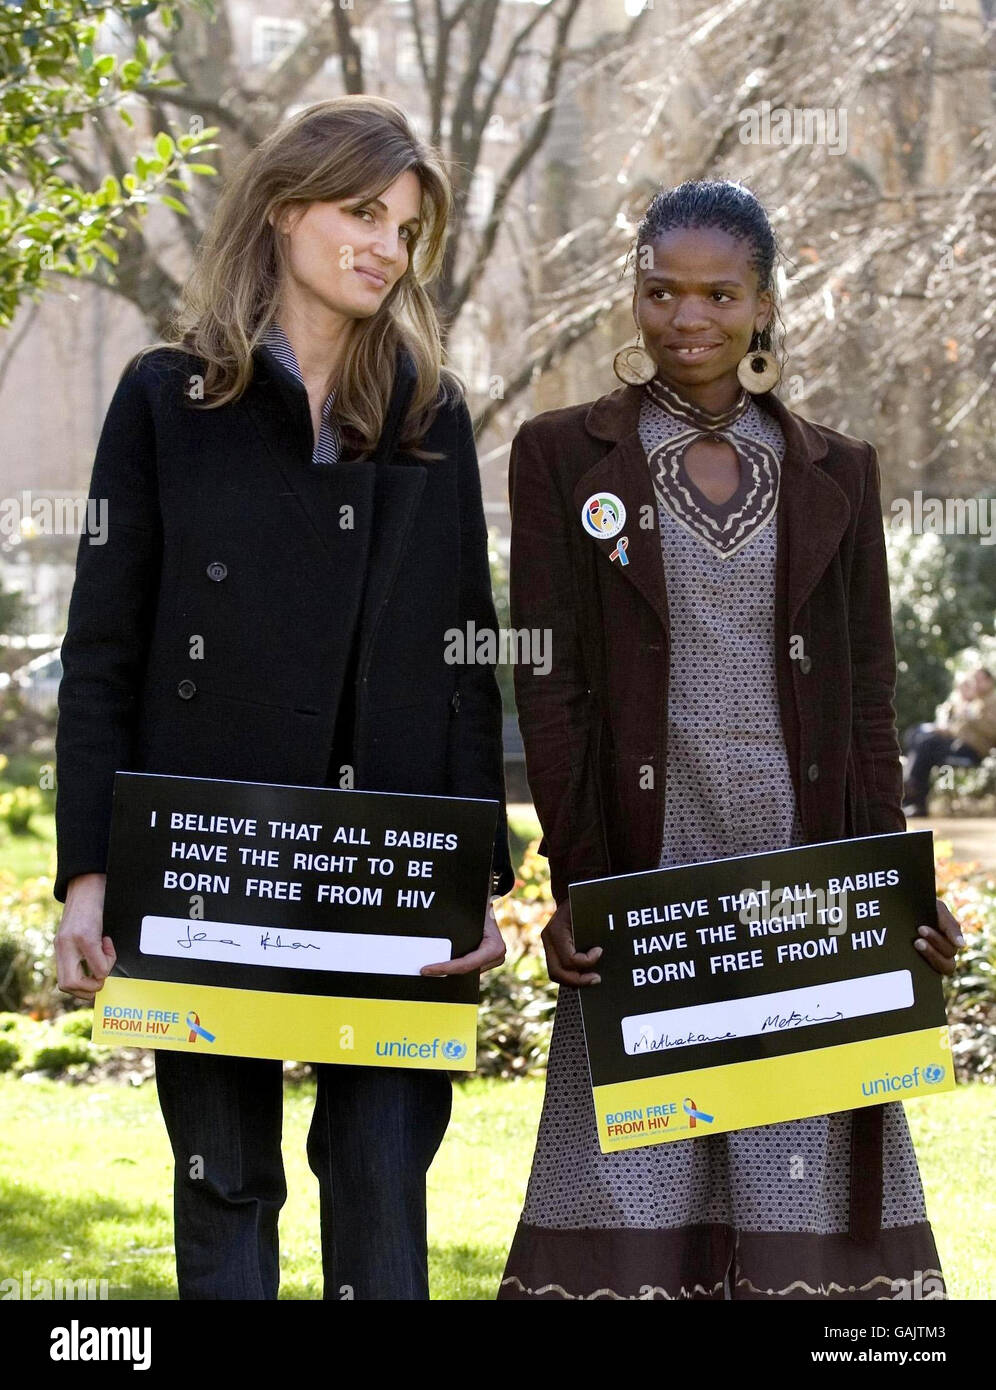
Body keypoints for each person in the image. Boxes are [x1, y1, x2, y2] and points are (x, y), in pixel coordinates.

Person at [52, 96, 514, 1301]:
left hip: (388, 859)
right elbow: (102, 651)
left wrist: (482, 877)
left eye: (406, 230)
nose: (385, 248)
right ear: (282, 207)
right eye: (363, 213)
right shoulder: (166, 398)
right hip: (201, 853)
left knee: (377, 1174)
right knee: (222, 1181)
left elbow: (469, 650)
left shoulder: (429, 412)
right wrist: (88, 875)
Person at [498, 179, 964, 1302]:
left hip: (795, 869)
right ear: (636, 295)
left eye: (718, 292)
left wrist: (889, 888)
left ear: (763, 302)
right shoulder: (565, 455)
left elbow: (863, 696)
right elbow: (550, 688)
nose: (686, 317)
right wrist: (580, 882)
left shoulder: (834, 469)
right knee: (635, 1166)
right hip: (644, 863)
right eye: (660, 290)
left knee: (794, 1165)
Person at [902, 667, 996, 816]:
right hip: (955, 744)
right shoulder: (973, 701)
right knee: (917, 735)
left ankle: (913, 795)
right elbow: (956, 723)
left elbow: (991, 730)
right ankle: (913, 795)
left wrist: (969, 716)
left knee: (926, 745)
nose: (976, 684)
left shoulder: (992, 701)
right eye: (974, 680)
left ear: (989, 681)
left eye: (979, 680)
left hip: (973, 751)